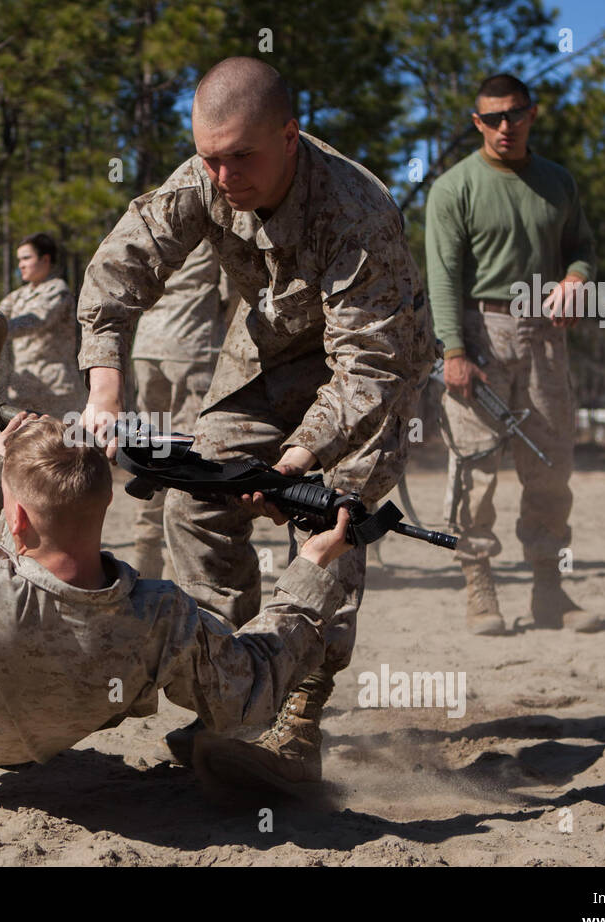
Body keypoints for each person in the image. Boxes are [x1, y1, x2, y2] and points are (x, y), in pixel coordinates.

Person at [75, 57, 434, 790]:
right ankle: (229, 688)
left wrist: (296, 462)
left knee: (330, 522)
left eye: (242, 157)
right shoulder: (204, 176)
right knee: (195, 498)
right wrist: (105, 391)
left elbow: (367, 369)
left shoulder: (356, 212)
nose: (224, 176)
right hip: (263, 356)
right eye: (210, 158)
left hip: (368, 375)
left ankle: (299, 717)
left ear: (291, 135)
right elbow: (120, 266)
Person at [0, 308, 354, 772]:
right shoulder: (160, 618)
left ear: (13, 522)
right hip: (62, 724)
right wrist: (309, 568)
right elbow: (253, 685)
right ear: (106, 505)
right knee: (34, 481)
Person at [425, 73, 599, 635]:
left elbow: (582, 249)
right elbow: (444, 277)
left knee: (551, 466)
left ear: (532, 114)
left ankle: (549, 591)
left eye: (515, 114)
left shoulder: (558, 182)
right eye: (493, 117)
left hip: (546, 337)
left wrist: (576, 279)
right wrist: (453, 350)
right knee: (476, 470)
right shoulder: (455, 188)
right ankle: (480, 589)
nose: (506, 126)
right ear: (478, 123)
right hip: (480, 335)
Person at [128, 238, 232, 578]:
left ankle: (144, 556)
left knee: (151, 451)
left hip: (148, 346)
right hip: (191, 347)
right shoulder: (220, 226)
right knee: (186, 459)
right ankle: (179, 571)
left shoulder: (160, 228)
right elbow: (234, 293)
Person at [0, 233, 86, 420]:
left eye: (27, 258)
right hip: (24, 388)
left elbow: (36, 321)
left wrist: (0, 330)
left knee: (65, 445)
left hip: (56, 389)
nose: (21, 265)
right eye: (19, 259)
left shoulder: (57, 289)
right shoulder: (18, 296)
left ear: (45, 259)